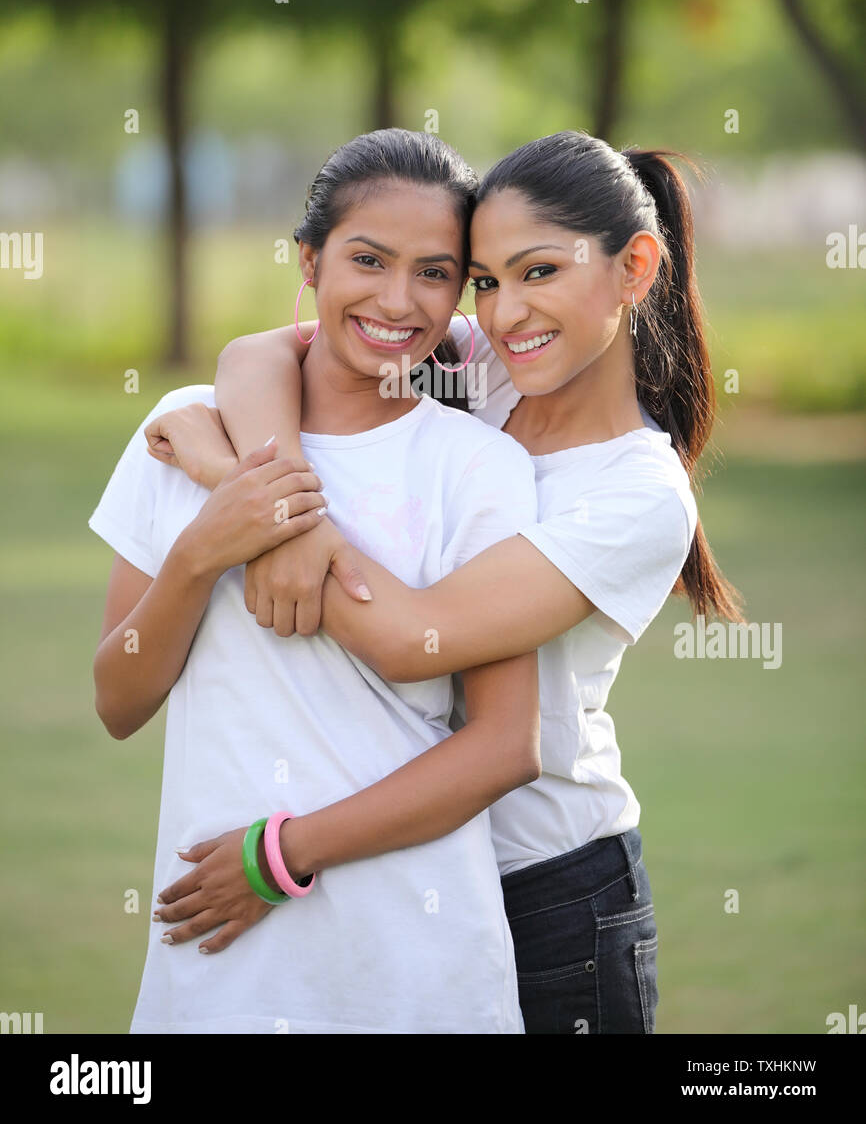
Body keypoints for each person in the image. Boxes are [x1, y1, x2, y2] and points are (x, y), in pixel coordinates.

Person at [152, 130, 743, 1034]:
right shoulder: (488, 372)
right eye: (487, 280)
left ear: (636, 267)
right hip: (416, 872)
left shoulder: (638, 494)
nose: (507, 313)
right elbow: (260, 353)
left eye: (540, 271)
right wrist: (263, 488)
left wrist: (250, 501)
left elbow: (405, 637)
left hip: (550, 896)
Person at [89, 129, 543, 1035]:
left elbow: (503, 745)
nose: (396, 300)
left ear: (459, 294)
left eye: (434, 273)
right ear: (309, 260)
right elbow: (118, 699)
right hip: (217, 948)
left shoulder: (480, 468)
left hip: (414, 955)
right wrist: (205, 548)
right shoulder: (185, 433)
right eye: (367, 260)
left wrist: (279, 859)